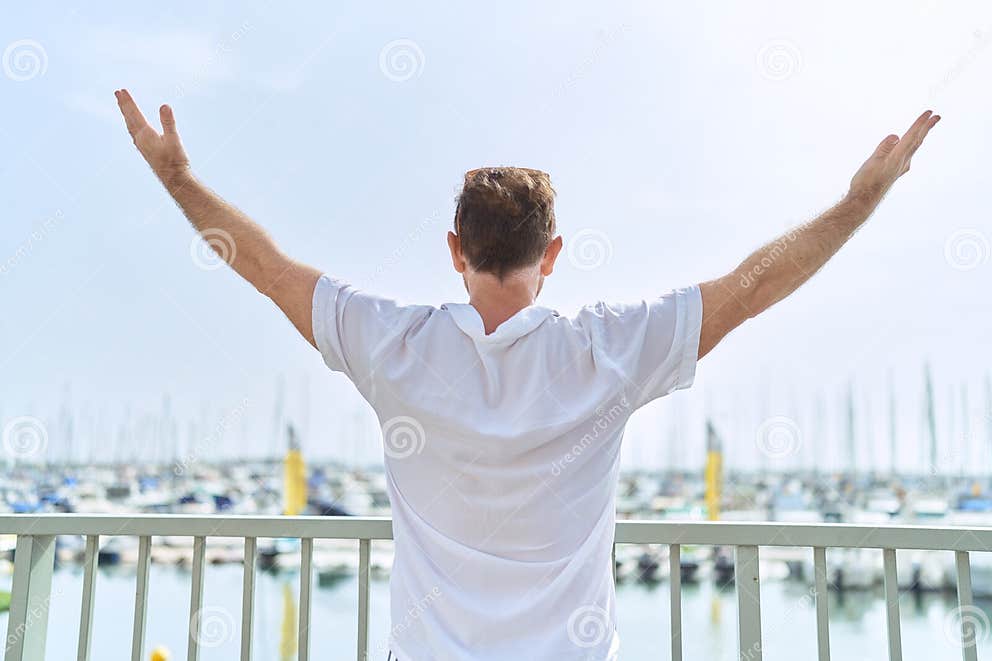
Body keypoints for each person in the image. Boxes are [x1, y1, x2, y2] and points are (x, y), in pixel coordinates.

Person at [114, 88, 939, 660]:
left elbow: (264, 268)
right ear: (550, 256)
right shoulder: (610, 351)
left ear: (454, 251)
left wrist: (177, 179)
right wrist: (860, 200)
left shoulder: (389, 343)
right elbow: (756, 284)